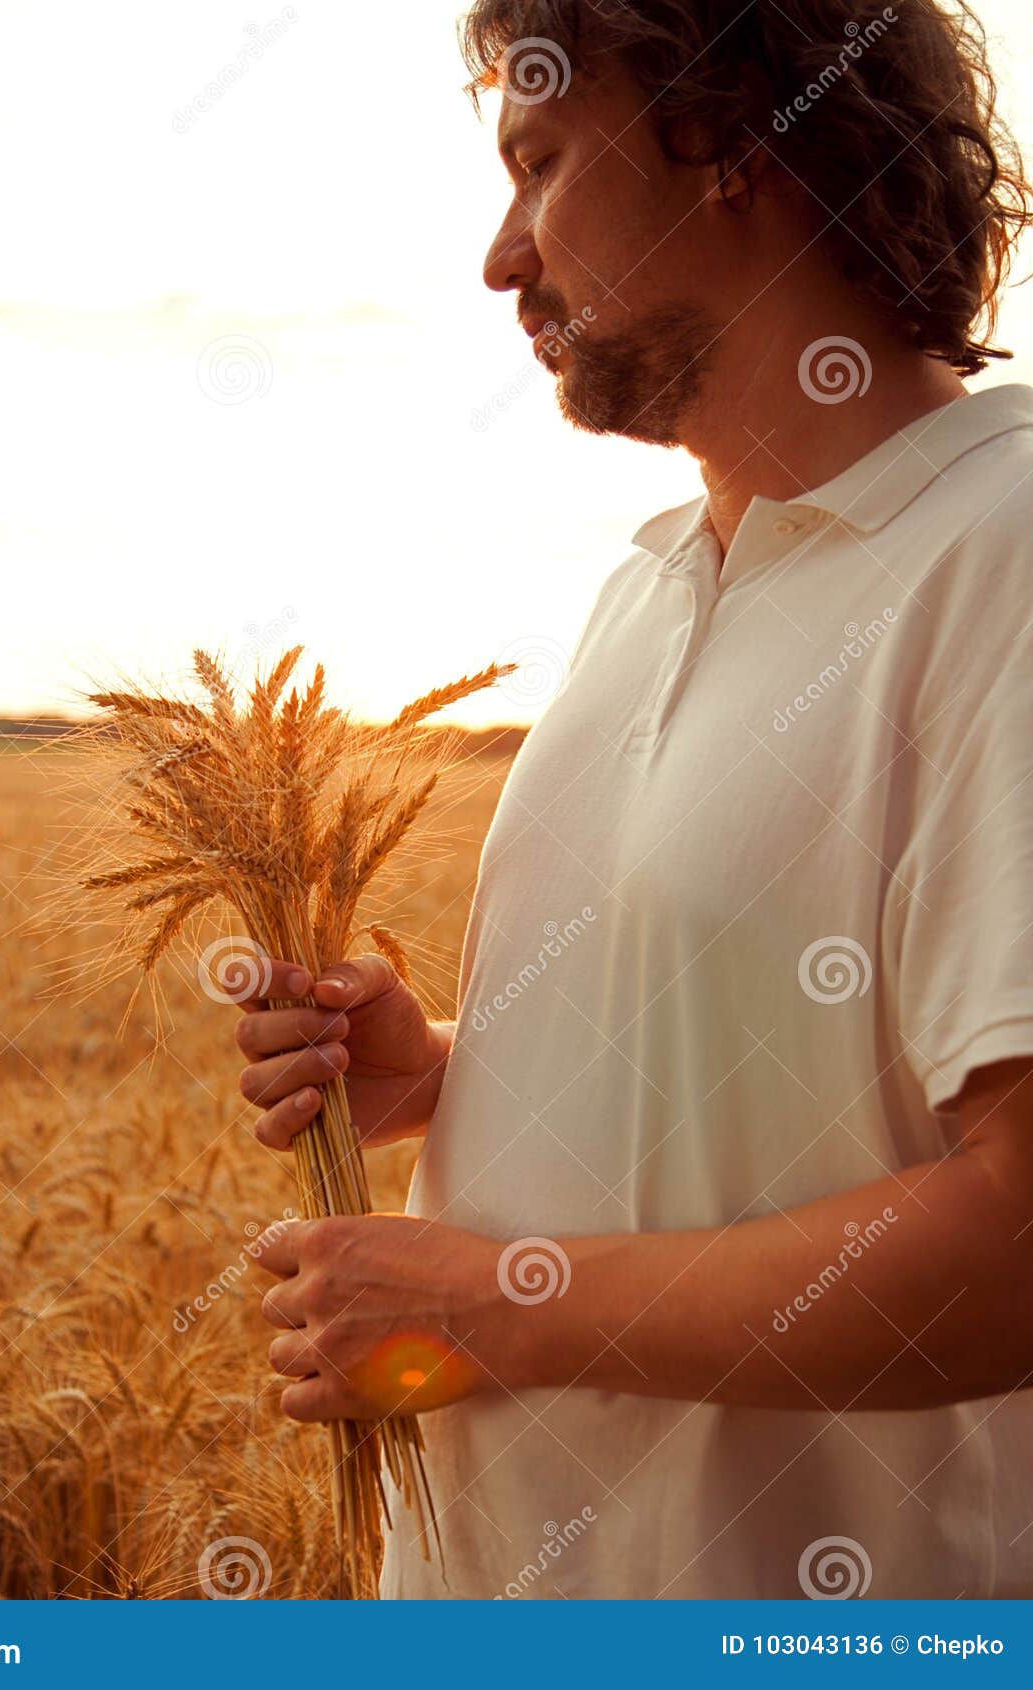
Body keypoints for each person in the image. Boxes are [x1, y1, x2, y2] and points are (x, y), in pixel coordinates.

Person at [233, 0, 1033, 1599]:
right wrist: (446, 1075)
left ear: (736, 132)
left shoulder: (1003, 548)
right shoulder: (652, 587)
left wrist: (490, 1298)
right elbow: (786, 1071)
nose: (501, 256)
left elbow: (1016, 1234)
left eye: (538, 163)